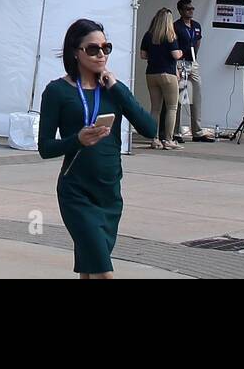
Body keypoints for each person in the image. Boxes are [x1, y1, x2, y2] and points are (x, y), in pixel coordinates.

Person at [38, 18, 158, 279]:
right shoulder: (57, 91)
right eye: (93, 49)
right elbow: (45, 148)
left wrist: (116, 88)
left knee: (90, 271)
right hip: (76, 193)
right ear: (75, 52)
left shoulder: (112, 90)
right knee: (104, 273)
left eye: (106, 47)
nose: (101, 54)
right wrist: (77, 140)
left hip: (109, 192)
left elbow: (150, 129)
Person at [139, 7, 183, 148]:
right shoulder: (170, 35)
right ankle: (169, 140)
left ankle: (154, 138)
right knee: (171, 107)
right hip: (168, 74)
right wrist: (181, 52)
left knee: (155, 108)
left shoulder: (148, 35)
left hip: (151, 73)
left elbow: (143, 55)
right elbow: (176, 55)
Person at [172, 0, 215, 142]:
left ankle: (197, 131)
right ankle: (176, 131)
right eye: (187, 9)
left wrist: (194, 56)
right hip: (180, 62)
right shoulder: (176, 26)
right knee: (179, 97)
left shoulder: (196, 25)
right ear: (181, 11)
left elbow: (198, 41)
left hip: (192, 62)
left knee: (196, 94)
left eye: (192, 8)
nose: (190, 11)